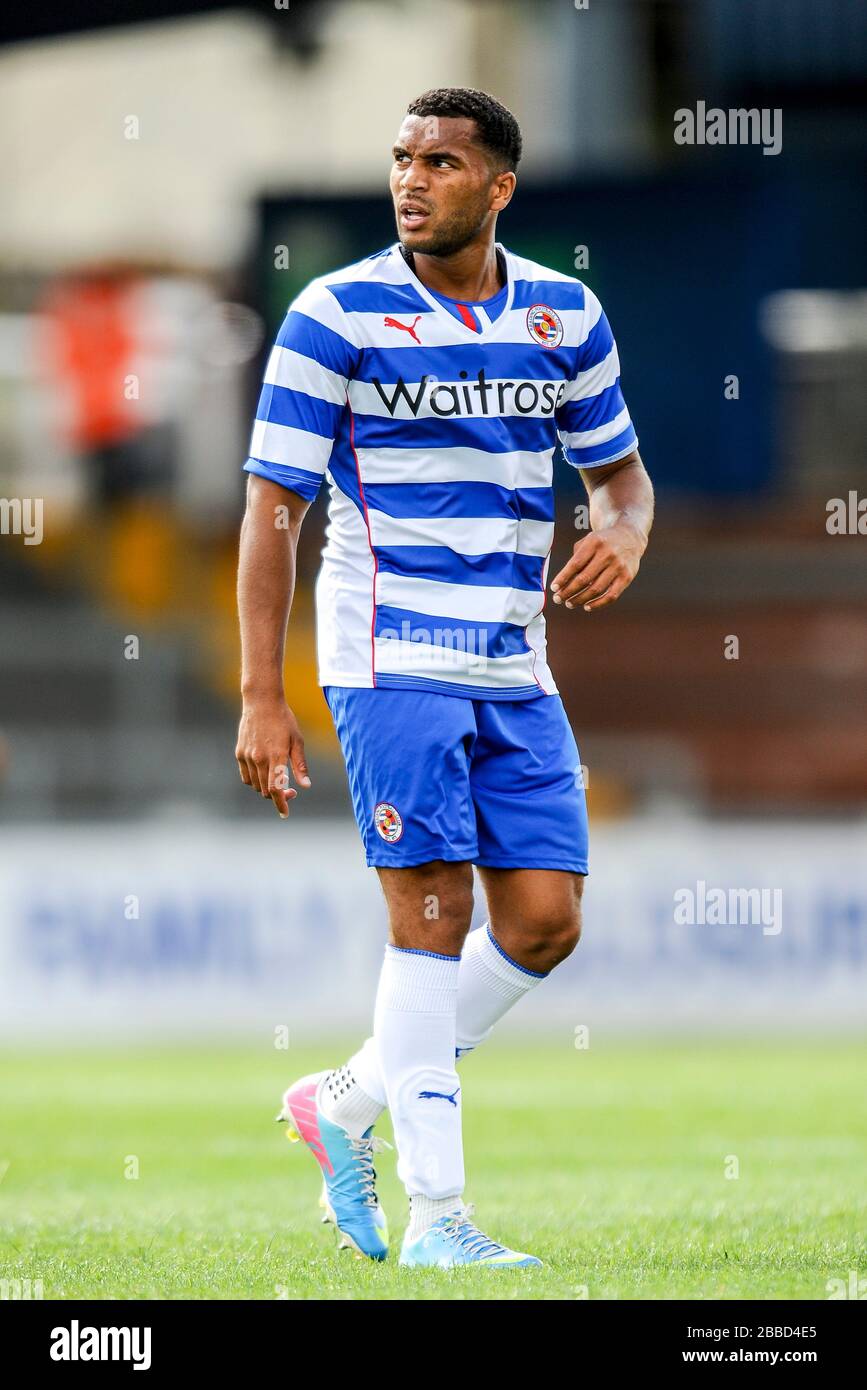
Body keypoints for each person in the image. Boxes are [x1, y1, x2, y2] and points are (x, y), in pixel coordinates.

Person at [236, 88, 654, 1269]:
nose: (412, 180)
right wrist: (264, 692)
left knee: (545, 922)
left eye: (442, 162)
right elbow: (273, 511)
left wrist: (623, 531)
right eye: (401, 158)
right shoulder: (336, 312)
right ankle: (442, 1220)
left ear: (500, 188)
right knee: (431, 917)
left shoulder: (565, 315)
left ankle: (346, 1100)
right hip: (386, 654)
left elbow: (622, 479)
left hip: (515, 661)